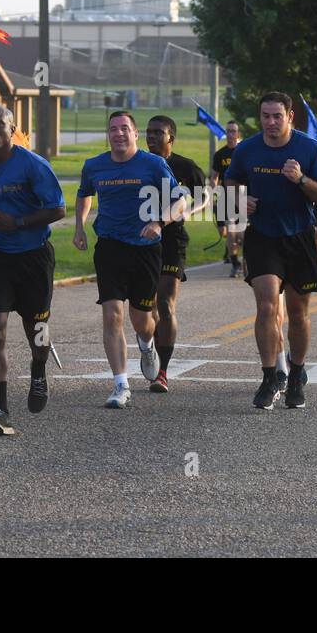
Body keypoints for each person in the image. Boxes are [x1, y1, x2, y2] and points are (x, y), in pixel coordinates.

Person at [223, 92, 317, 410]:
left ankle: (297, 372)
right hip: (262, 236)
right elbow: (229, 182)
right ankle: (270, 375)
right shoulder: (248, 149)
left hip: (299, 237)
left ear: (290, 117)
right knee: (267, 306)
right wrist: (239, 198)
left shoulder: (309, 148)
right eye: (265, 116)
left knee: (298, 314)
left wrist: (300, 180)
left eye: (277, 116)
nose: (270, 122)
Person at [0, 105, 66, 436]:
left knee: (38, 330)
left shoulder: (33, 165)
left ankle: (38, 371)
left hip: (33, 256)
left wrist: (17, 222)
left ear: (11, 128)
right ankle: (2, 410)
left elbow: (58, 209)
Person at [75, 111, 187, 409]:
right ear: (108, 135)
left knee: (142, 321)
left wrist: (160, 223)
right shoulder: (94, 166)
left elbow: (181, 201)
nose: (119, 133)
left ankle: (148, 345)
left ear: (135, 134)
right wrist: (79, 226)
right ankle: (120, 384)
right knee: (112, 314)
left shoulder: (154, 165)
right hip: (109, 247)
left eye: (125, 128)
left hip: (145, 248)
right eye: (113, 129)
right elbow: (84, 194)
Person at [145, 114, 209, 393]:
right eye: (148, 132)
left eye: (158, 132)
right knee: (145, 306)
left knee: (166, 304)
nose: (152, 137)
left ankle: (162, 371)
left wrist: (189, 212)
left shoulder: (184, 167)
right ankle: (149, 349)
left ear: (171, 137)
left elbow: (205, 196)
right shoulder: (138, 164)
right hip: (142, 241)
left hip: (172, 241)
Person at [209, 120, 243, 277]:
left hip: (243, 196)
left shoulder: (244, 152)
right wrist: (213, 192)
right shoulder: (220, 155)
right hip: (225, 196)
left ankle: (241, 256)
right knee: (229, 231)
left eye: (233, 131)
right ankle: (235, 262)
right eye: (228, 131)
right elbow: (214, 177)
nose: (230, 134)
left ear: (238, 134)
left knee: (241, 234)